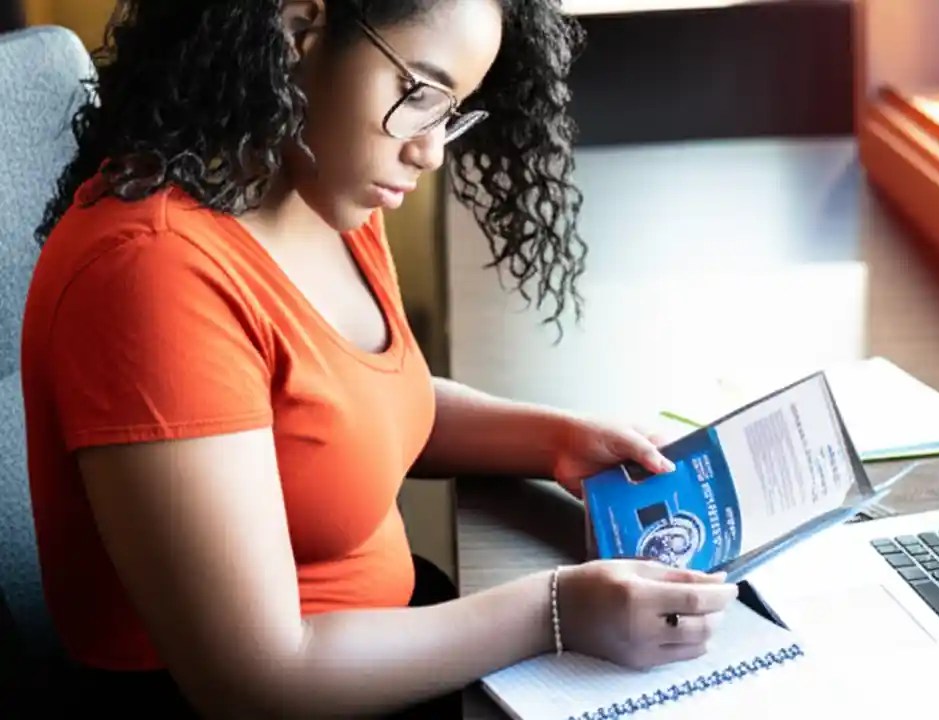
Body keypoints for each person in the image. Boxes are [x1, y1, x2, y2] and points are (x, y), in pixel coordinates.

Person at [20, 1, 739, 717]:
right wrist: (553, 612)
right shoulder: (151, 275)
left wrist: (557, 438)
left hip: (388, 646)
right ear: (299, 28)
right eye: (418, 95)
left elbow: (352, 410)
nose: (431, 150)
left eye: (451, 110)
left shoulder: (316, 186)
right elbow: (252, 682)